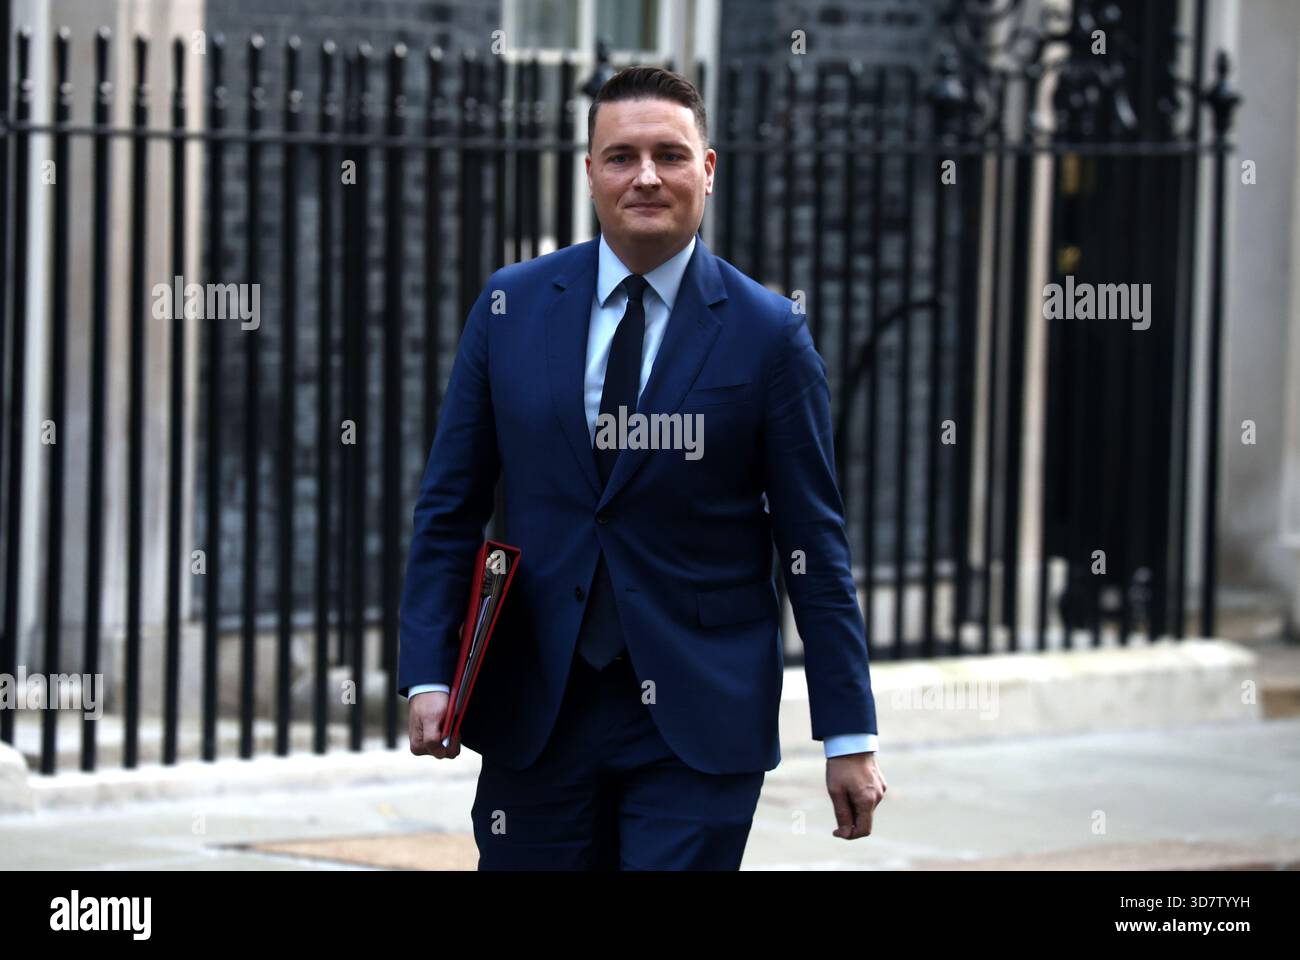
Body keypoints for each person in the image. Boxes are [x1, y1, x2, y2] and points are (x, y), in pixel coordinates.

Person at [399, 65, 885, 870]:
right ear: (590, 171)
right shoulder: (510, 307)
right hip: (537, 709)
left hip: (699, 720)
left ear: (709, 169)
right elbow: (450, 505)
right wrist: (427, 670)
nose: (647, 176)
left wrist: (849, 733)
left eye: (670, 153)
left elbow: (814, 544)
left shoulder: (769, 335)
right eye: (621, 156)